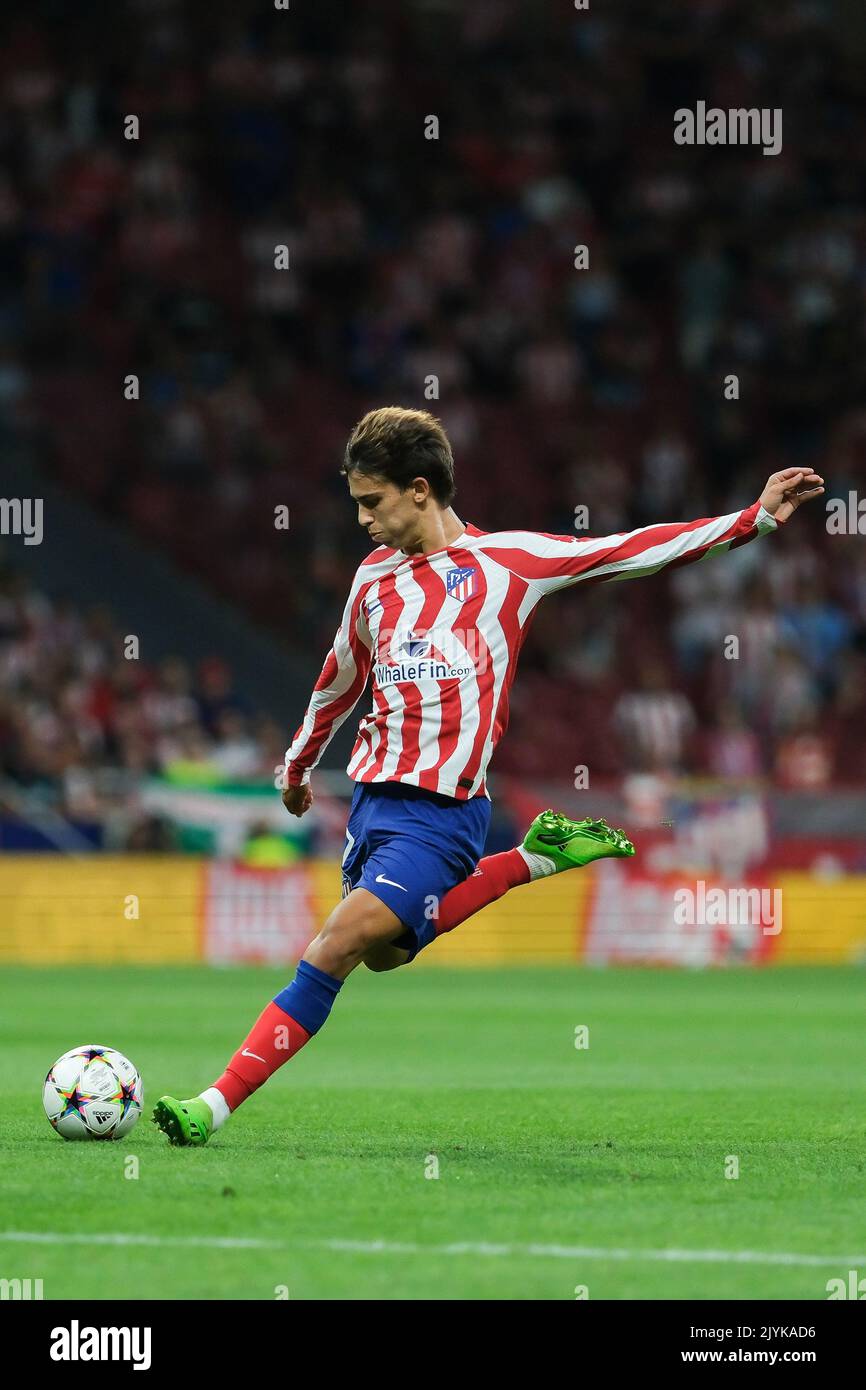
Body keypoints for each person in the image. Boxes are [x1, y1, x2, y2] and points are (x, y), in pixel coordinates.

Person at [153, 407, 823, 1145]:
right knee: (383, 955)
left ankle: (210, 1107)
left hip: (443, 813)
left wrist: (751, 521)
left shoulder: (511, 562)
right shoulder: (373, 578)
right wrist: (299, 763)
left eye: (371, 502)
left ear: (418, 490)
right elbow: (339, 676)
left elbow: (628, 550)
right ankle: (534, 859)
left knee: (334, 947)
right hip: (374, 806)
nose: (362, 520)